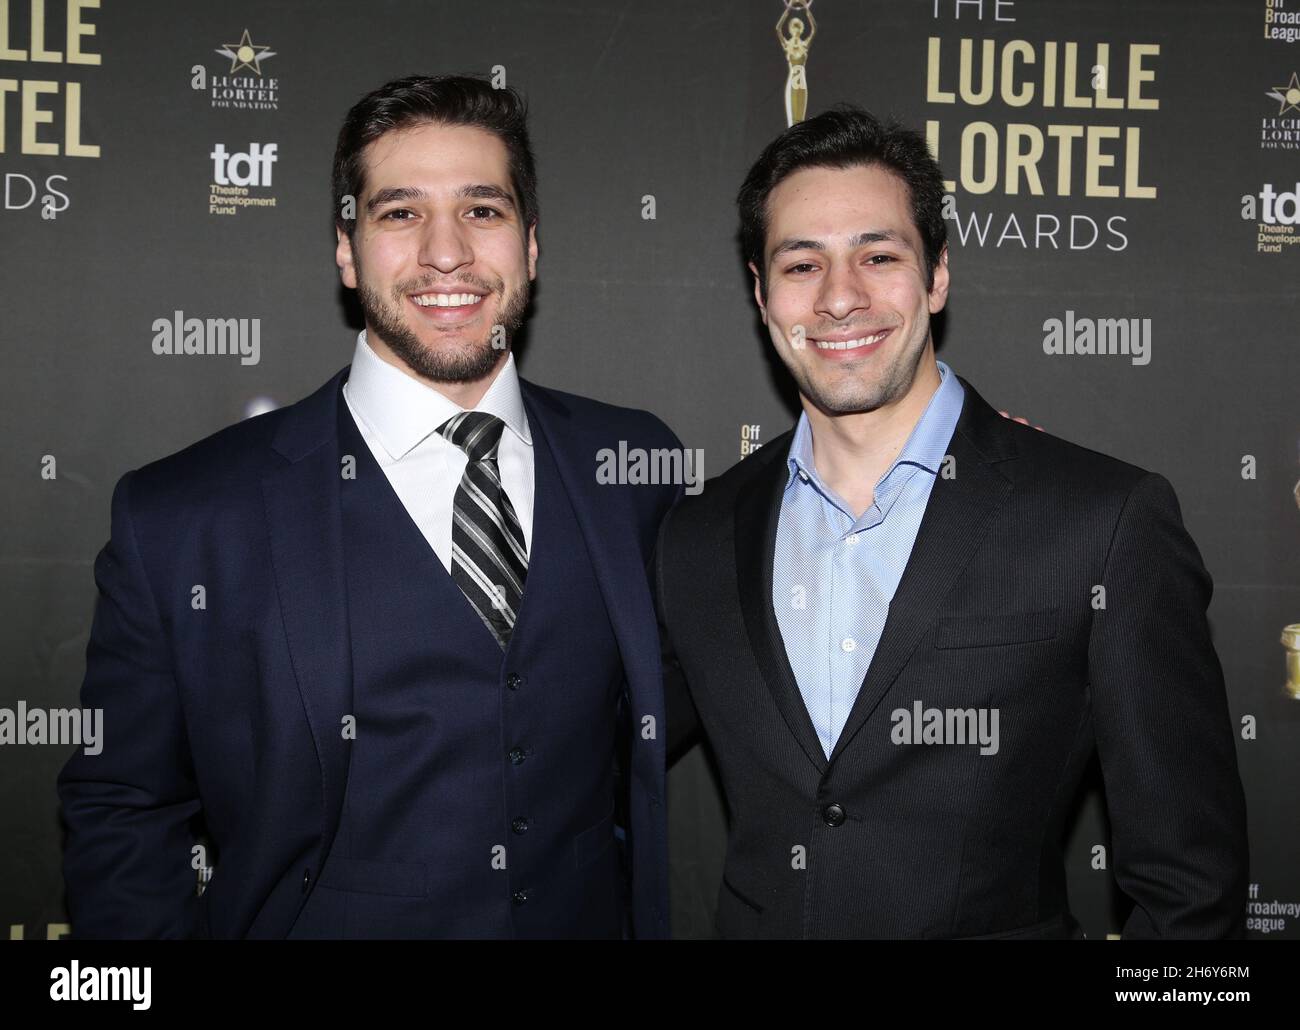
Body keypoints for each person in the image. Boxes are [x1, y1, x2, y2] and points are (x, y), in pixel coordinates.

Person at [57, 75, 682, 939]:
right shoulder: (182, 517)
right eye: (399, 213)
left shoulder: (634, 466)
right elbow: (122, 809)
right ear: (347, 251)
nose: (446, 252)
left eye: (483, 210)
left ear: (531, 245)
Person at [657, 104, 1248, 939]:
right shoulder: (699, 534)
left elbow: (1193, 890)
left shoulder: (1102, 520)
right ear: (761, 294)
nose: (840, 298)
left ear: (936, 275)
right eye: (801, 264)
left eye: (879, 255)